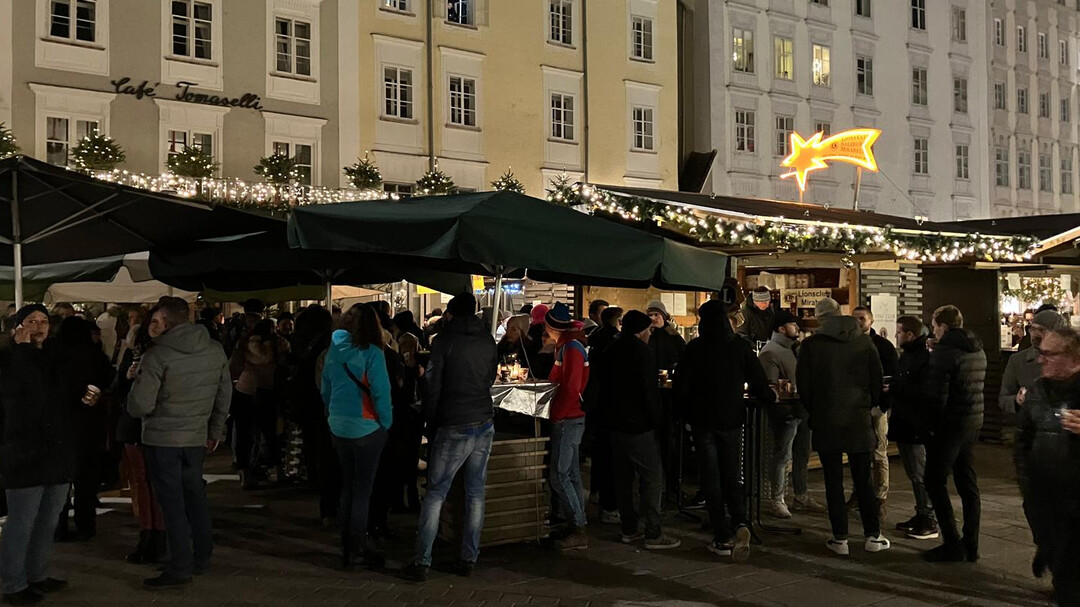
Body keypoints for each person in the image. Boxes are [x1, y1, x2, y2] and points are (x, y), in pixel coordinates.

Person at [127, 297, 231, 587]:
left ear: (165, 320)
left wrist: (134, 383)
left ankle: (180, 565)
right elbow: (224, 394)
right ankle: (202, 556)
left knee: (172, 504)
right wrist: (214, 430)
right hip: (195, 437)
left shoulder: (157, 356)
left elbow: (140, 405)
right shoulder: (214, 350)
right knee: (196, 498)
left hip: (163, 439)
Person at [401, 293, 498, 582]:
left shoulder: (444, 341)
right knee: (476, 492)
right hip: (483, 418)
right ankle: (469, 557)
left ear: (451, 314)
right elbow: (490, 378)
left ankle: (422, 560)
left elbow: (433, 384)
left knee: (435, 493)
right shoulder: (487, 340)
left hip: (453, 422)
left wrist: (430, 421)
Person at [0, 305, 84, 605]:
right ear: (16, 327)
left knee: (48, 519)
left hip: (58, 450)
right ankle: (13, 583)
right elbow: (25, 394)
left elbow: (61, 396)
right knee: (21, 521)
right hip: (23, 451)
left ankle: (37, 574)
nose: (38, 326)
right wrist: (23, 350)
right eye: (30, 321)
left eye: (43, 321)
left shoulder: (56, 356)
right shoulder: (8, 359)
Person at [677, 300, 773, 560]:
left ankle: (722, 535)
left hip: (702, 420)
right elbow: (758, 382)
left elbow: (681, 386)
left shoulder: (695, 348)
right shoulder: (740, 347)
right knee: (731, 473)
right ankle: (740, 522)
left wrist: (684, 412)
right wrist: (768, 397)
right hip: (731, 418)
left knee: (711, 477)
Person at [796, 298, 890, 556]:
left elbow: (804, 384)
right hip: (858, 419)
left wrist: (815, 409)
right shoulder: (863, 340)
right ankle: (873, 535)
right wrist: (868, 405)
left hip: (827, 419)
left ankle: (840, 538)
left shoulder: (811, 345)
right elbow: (876, 379)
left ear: (819, 318)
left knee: (832, 480)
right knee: (863, 479)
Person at [598, 310, 681, 550]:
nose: (650, 334)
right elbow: (648, 391)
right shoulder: (642, 353)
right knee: (652, 475)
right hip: (638, 424)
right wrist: (657, 420)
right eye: (648, 331)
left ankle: (629, 528)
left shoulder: (610, 350)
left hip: (614, 423)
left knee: (623, 478)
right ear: (640, 331)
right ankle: (653, 531)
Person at [320, 304, 392, 570]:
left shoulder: (333, 352)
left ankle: (346, 546)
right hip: (366, 426)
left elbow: (325, 388)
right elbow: (381, 392)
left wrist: (332, 414)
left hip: (338, 425)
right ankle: (357, 550)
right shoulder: (372, 353)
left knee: (348, 487)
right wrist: (385, 423)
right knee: (362, 491)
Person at [1015, 328, 1080, 604]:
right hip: (1043, 496)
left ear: (1074, 358)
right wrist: (1027, 485)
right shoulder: (1038, 391)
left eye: (1048, 354)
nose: (1040, 360)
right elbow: (1022, 441)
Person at [922, 305, 986, 563]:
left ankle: (951, 543)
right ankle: (971, 543)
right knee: (967, 482)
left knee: (934, 481)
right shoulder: (977, 348)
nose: (933, 331)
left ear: (944, 327)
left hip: (949, 425)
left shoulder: (944, 352)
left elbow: (937, 396)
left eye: (935, 326)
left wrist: (931, 426)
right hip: (972, 421)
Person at [113, 306, 168, 565]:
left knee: (158, 482)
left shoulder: (173, 355)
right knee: (141, 482)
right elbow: (117, 388)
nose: (157, 328)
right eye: (153, 322)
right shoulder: (135, 352)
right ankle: (148, 533)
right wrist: (127, 376)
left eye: (162, 323)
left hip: (162, 427)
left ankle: (160, 535)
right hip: (134, 426)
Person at [53, 318, 114, 542]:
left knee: (60, 481)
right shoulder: (94, 355)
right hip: (90, 424)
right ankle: (85, 525)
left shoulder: (55, 356)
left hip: (61, 425)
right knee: (86, 481)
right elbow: (109, 379)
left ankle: (58, 525)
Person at [759, 310, 824, 518]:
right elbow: (771, 387)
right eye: (792, 325)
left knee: (802, 453)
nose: (797, 328)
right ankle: (777, 498)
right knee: (782, 455)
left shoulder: (795, 349)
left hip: (802, 409)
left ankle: (800, 495)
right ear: (780, 328)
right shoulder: (771, 352)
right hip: (786, 412)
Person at [888, 316, 938, 541]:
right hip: (906, 421)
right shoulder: (909, 356)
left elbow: (923, 392)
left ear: (910, 334)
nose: (896, 336)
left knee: (919, 472)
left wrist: (897, 390)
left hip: (915, 423)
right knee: (913, 471)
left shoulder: (922, 358)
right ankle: (921, 513)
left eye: (899, 332)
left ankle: (928, 518)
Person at [545, 303, 590, 550]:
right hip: (571, 416)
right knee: (570, 473)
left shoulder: (571, 347)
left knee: (559, 475)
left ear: (552, 327)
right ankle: (577, 521)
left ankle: (578, 527)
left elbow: (571, 387)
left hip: (568, 417)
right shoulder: (570, 345)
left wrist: (557, 415)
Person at [288, 305, 338, 526]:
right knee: (327, 451)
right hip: (322, 404)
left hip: (306, 401)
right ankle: (323, 490)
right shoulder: (328, 343)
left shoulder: (301, 340)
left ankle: (315, 481)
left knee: (314, 444)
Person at [230, 319, 289, 489]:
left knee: (244, 434)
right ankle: (278, 471)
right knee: (271, 433)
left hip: (245, 389)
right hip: (267, 389)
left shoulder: (244, 344)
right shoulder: (278, 345)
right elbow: (284, 364)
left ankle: (245, 475)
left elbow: (234, 366)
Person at [852, 306, 898, 524]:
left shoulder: (883, 347)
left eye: (862, 318)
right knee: (857, 452)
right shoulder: (849, 344)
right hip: (856, 406)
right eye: (855, 319)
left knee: (879, 452)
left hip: (876, 406)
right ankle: (859, 493)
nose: (858, 322)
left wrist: (882, 406)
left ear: (871, 321)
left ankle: (880, 499)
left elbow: (892, 380)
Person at [585, 306, 623, 523]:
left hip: (595, 401)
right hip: (608, 400)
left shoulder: (595, 337)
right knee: (609, 454)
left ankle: (595, 491)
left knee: (600, 452)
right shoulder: (614, 340)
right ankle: (609, 504)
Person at [1001, 309, 1067, 414]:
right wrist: (1017, 400)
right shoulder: (1017, 360)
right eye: (1033, 329)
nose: (1035, 334)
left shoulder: (1071, 360)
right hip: (1029, 425)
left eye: (1041, 330)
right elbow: (1004, 399)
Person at [646, 300, 685, 372]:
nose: (653, 318)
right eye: (650, 315)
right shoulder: (646, 335)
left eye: (656, 314)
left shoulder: (673, 335)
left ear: (663, 316)